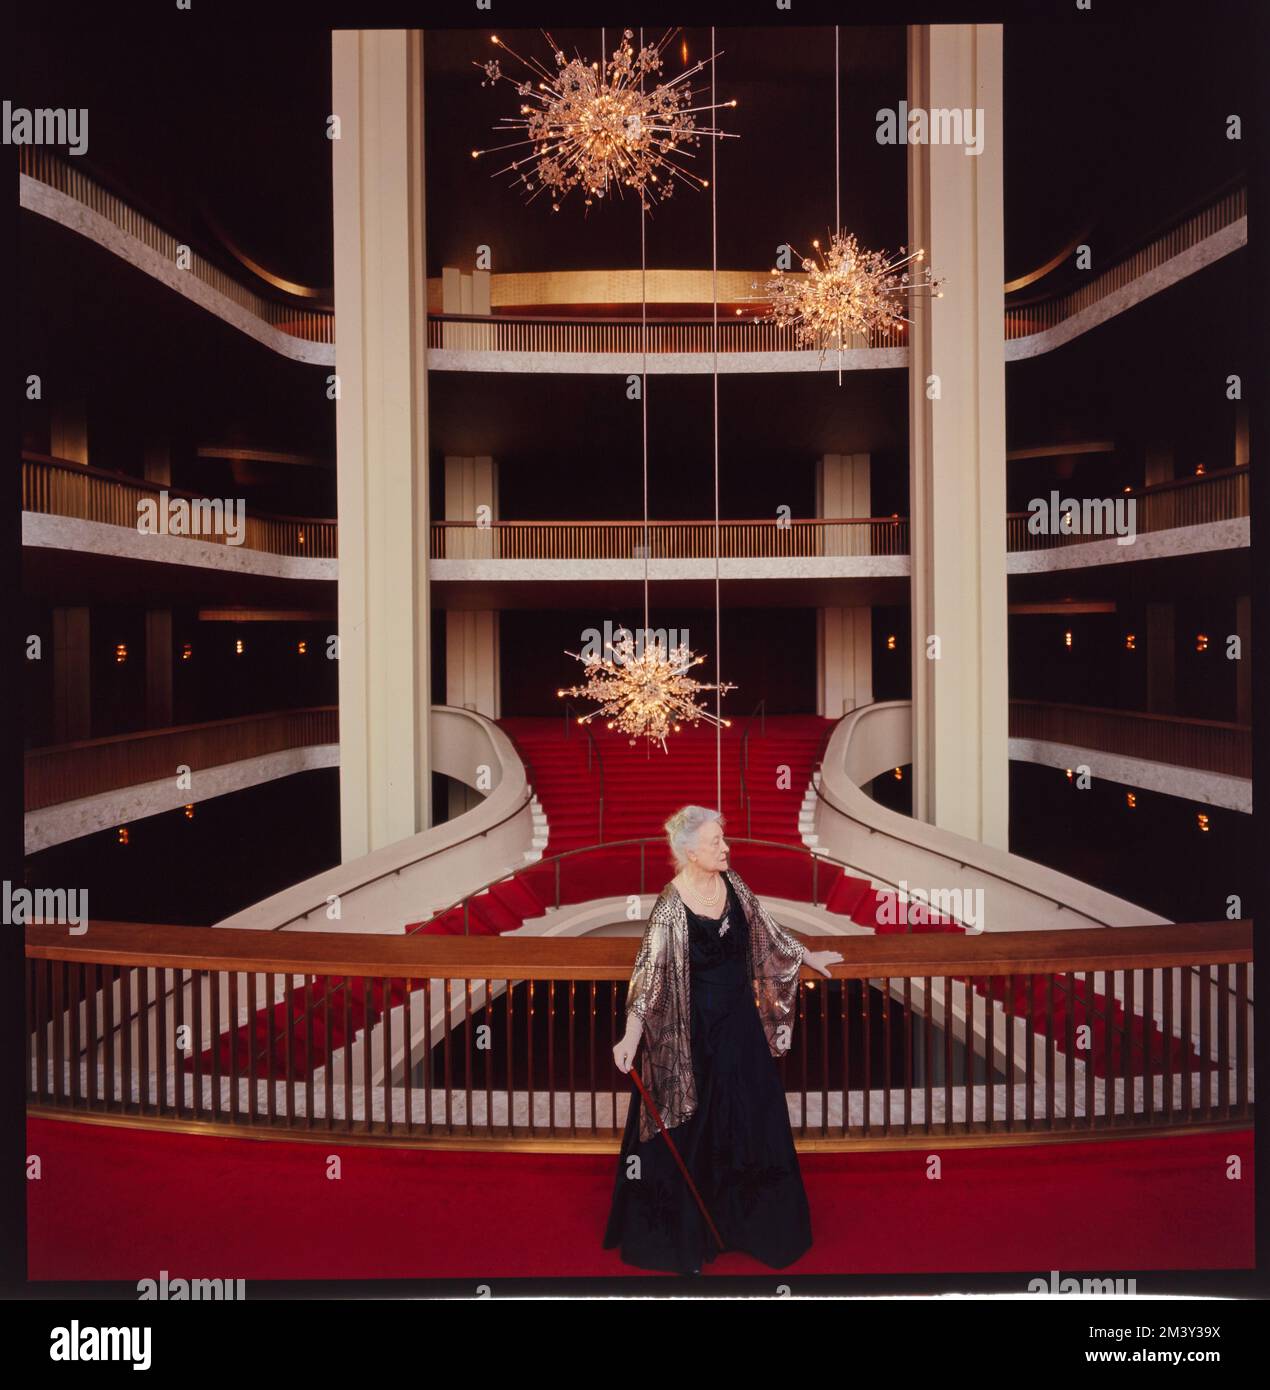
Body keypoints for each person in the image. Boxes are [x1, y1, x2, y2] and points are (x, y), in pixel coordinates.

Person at [602, 805, 843, 1275]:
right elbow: (648, 977)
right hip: (694, 1040)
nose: (725, 848)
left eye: (723, 839)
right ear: (691, 851)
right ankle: (695, 1233)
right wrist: (630, 1035)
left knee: (754, 1120)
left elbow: (767, 931)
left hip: (740, 1031)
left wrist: (807, 954)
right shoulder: (671, 906)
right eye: (716, 842)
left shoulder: (733, 885)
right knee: (698, 1129)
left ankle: (750, 1227)